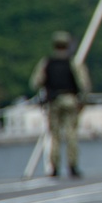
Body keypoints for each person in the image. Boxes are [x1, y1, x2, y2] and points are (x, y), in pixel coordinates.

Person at [30, 31, 91, 178]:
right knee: (71, 134)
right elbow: (84, 84)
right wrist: (82, 100)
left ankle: (54, 167)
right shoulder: (73, 63)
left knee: (55, 135)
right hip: (70, 100)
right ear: (68, 45)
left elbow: (35, 82)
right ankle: (72, 166)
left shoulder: (47, 63)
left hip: (53, 101)